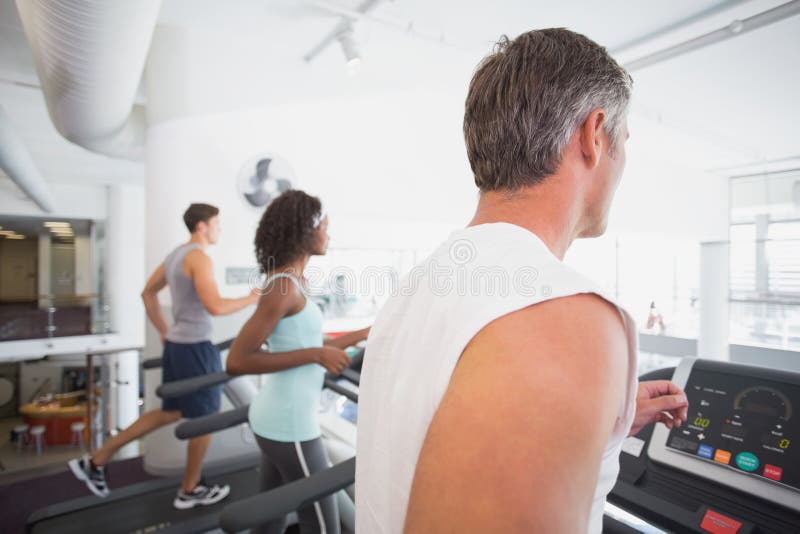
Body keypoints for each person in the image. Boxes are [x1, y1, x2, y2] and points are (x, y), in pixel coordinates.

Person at [355, 29, 689, 533]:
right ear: (594, 135)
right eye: (623, 142)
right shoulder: (560, 315)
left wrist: (593, 423)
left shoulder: (423, 284)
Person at [69, 203, 259, 509]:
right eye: (216, 223)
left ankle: (97, 458)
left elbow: (147, 293)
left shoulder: (175, 256)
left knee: (170, 413)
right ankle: (190, 489)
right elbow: (216, 307)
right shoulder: (199, 257)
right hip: (196, 348)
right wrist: (251, 298)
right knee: (205, 420)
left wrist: (164, 330)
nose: (219, 229)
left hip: (177, 345)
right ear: (202, 226)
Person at [226, 190, 369, 534]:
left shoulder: (296, 283)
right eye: (325, 227)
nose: (328, 235)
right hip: (290, 425)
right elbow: (237, 360)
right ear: (304, 230)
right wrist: (316, 355)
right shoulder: (283, 287)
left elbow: (308, 343)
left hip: (277, 418)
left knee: (270, 520)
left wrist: (365, 332)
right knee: (323, 526)